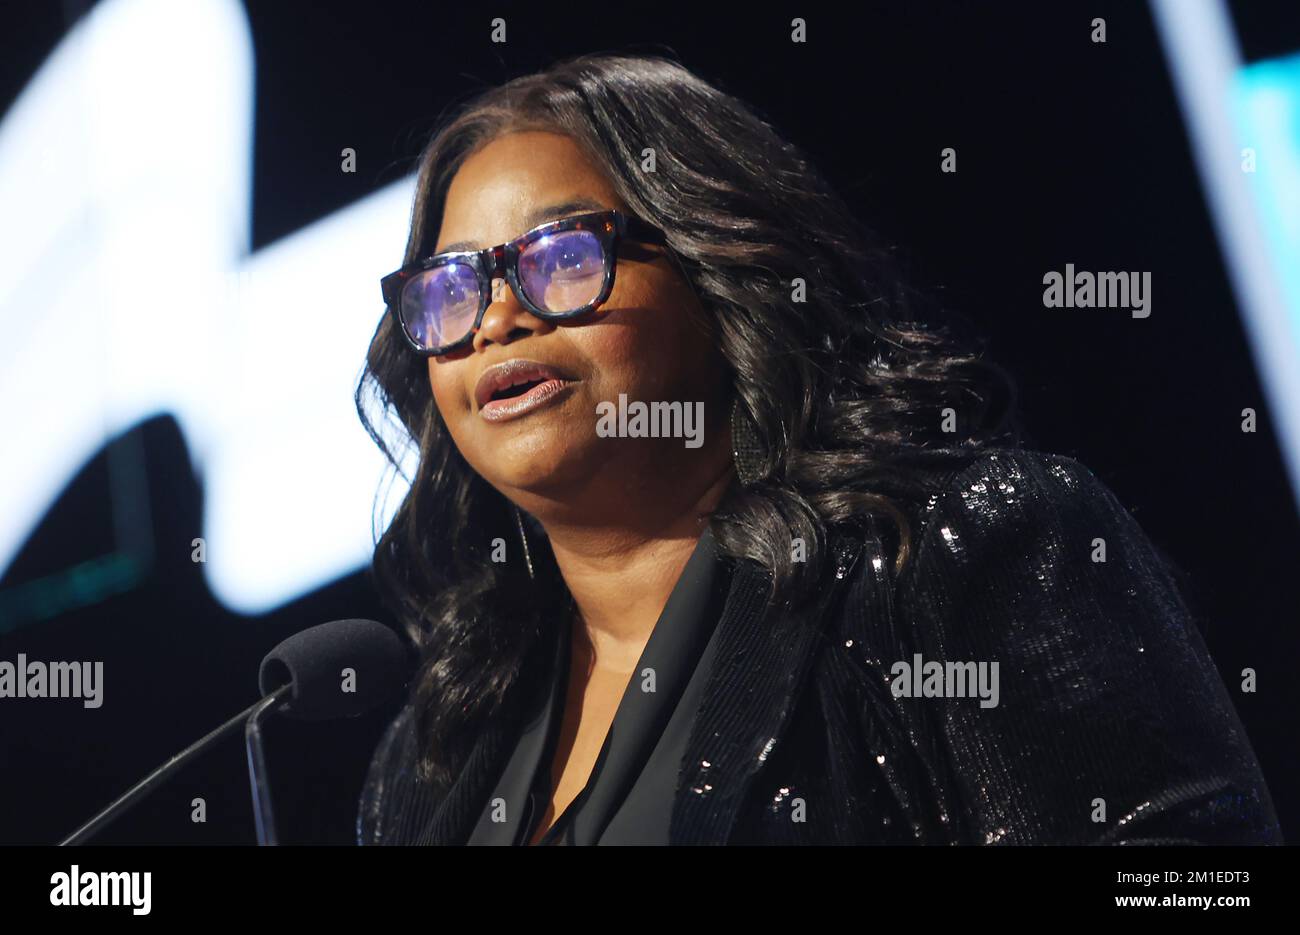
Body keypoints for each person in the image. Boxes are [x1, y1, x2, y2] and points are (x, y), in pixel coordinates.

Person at [352, 52, 1282, 845]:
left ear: (717, 269)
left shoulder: (950, 561)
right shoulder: (435, 749)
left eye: (562, 256)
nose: (497, 318)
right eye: (450, 288)